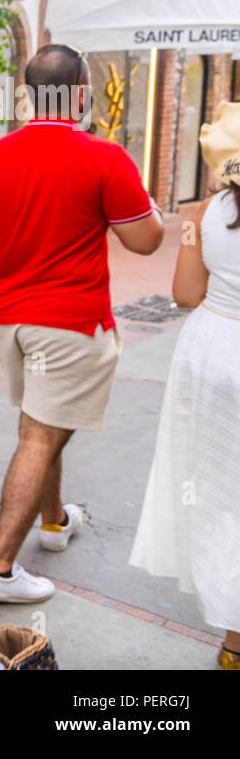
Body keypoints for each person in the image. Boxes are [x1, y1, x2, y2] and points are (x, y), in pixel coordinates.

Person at [0, 42, 164, 603]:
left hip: (8, 323)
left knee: (41, 422)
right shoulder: (106, 157)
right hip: (70, 322)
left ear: (25, 93)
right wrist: (149, 206)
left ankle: (55, 521)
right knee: (41, 434)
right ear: (81, 93)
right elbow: (146, 239)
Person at [131, 102, 240, 670]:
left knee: (223, 497)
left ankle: (233, 644)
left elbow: (185, 294)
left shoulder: (206, 210)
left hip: (214, 356)